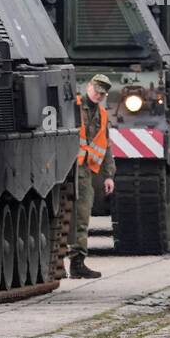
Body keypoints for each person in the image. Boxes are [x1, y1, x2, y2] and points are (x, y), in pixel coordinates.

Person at [69, 74, 116, 279]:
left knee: (81, 216)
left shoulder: (102, 115)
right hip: (66, 170)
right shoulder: (73, 106)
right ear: (88, 87)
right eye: (96, 91)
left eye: (102, 93)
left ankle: (77, 262)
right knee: (67, 216)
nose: (98, 95)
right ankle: (58, 261)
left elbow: (106, 147)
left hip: (84, 172)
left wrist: (108, 176)